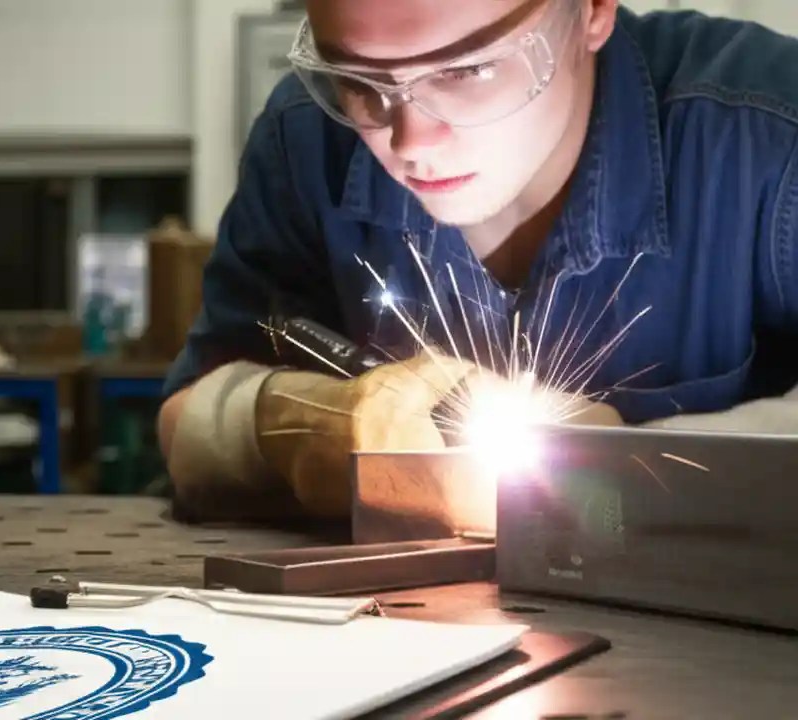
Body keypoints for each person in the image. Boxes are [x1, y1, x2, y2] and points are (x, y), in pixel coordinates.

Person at [157, 0, 798, 531]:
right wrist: (305, 423)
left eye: (467, 70)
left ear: (592, 10)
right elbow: (186, 425)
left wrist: (625, 458)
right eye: (359, 81)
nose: (410, 140)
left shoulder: (766, 141)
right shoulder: (306, 140)